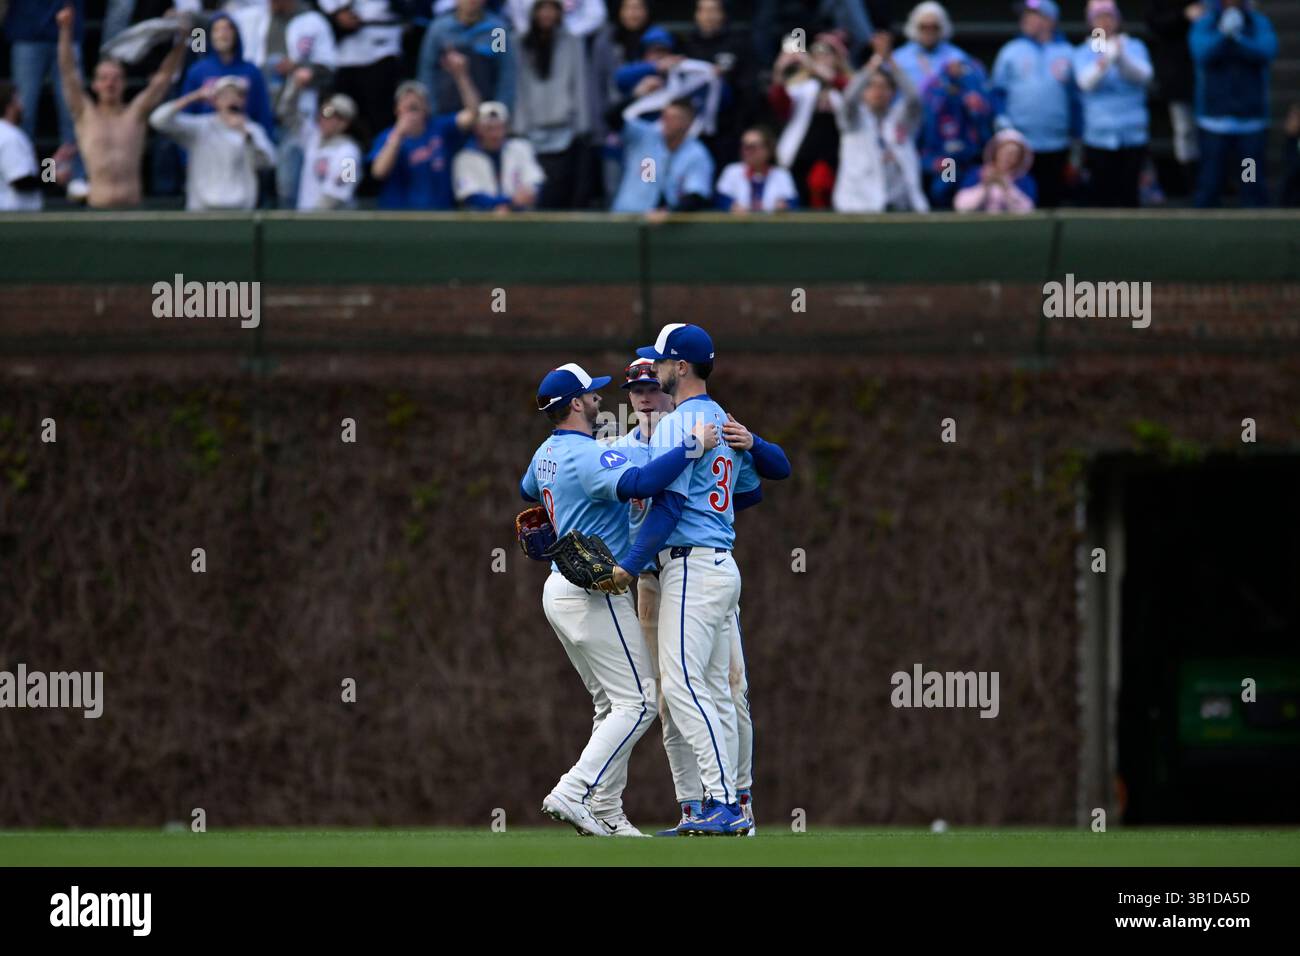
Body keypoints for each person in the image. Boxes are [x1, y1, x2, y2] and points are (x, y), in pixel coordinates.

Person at [520, 361, 720, 837]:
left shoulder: (545, 452)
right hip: (595, 592)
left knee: (610, 704)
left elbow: (531, 490)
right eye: (591, 394)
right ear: (575, 404)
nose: (598, 399)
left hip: (558, 589)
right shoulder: (588, 455)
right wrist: (693, 446)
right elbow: (643, 484)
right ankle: (574, 790)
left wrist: (564, 511)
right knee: (641, 702)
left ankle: (607, 810)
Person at [604, 358, 789, 837]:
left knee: (717, 690)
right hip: (664, 574)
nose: (644, 395)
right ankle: (701, 807)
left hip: (692, 566)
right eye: (635, 389)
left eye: (652, 383)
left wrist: (706, 498)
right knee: (680, 694)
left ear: (672, 381)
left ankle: (731, 802)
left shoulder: (694, 428)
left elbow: (746, 487)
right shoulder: (628, 445)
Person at [54, 4, 188, 208]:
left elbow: (163, 79)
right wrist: (65, 30)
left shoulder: (135, 114)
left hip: (132, 208)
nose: (110, 83)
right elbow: (68, 73)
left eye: (116, 78)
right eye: (104, 78)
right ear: (95, 85)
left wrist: (182, 41)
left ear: (124, 83)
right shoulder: (85, 113)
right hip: (98, 208)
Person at [228, 0, 337, 205]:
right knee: (253, 186)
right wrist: (195, 32)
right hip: (255, 116)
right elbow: (210, 30)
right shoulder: (250, 18)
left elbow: (329, 70)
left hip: (292, 118)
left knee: (287, 188)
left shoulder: (313, 22)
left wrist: (302, 69)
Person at [1189, 0, 1276, 208]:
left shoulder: (1257, 23)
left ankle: (1255, 231)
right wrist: (1223, 35)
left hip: (1250, 123)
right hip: (1214, 121)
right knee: (1210, 183)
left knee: (1250, 182)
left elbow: (1266, 51)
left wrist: (1238, 38)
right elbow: (1202, 54)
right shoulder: (1206, 22)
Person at [990, 0, 1076, 208]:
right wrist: (1003, 123)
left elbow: (1076, 97)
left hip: (1057, 142)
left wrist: (1076, 136)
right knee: (1018, 200)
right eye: (1025, 15)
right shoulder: (1010, 51)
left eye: (1034, 15)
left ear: (1050, 20)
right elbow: (997, 91)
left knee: (1052, 200)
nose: (1027, 19)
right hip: (1019, 145)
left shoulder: (1068, 52)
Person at [149, 76, 276, 211]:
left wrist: (247, 136)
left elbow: (268, 163)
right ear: (215, 100)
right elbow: (158, 120)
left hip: (240, 211)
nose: (231, 99)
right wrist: (193, 97)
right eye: (225, 95)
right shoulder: (199, 127)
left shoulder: (253, 130)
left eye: (238, 95)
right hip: (202, 210)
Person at [368, 63, 480, 210]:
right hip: (399, 219)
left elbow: (472, 115)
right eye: (405, 98)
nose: (411, 99)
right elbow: (378, 172)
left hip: (439, 216)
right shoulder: (386, 136)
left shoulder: (440, 127)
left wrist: (461, 75)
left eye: (417, 99)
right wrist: (398, 135)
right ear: (397, 109)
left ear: (426, 107)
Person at [1073, 0, 1151, 208]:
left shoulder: (1134, 46)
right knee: (1100, 194)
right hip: (1098, 136)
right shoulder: (1085, 50)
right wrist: (1106, 58)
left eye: (1109, 17)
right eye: (1099, 18)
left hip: (1132, 135)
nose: (1105, 22)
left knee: (1129, 195)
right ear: (1091, 22)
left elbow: (1143, 76)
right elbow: (1085, 82)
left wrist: (1121, 56)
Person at [833, 41, 928, 213]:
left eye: (884, 86)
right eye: (872, 86)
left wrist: (890, 61)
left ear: (892, 92)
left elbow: (914, 98)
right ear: (863, 91)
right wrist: (875, 62)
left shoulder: (901, 119)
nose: (878, 91)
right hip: (857, 204)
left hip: (900, 204)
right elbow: (849, 99)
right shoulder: (854, 120)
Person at [512, 0, 590, 209]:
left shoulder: (573, 42)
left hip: (564, 128)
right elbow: (515, 85)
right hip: (530, 129)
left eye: (551, 8)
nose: (546, 14)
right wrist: (518, 126)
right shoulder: (517, 43)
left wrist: (582, 124)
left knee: (560, 189)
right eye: (542, 8)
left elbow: (579, 82)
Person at [768, 30, 851, 209]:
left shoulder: (845, 84)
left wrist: (809, 63)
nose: (821, 58)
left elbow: (846, 90)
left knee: (822, 185)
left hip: (839, 156)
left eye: (827, 53)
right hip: (802, 155)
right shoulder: (802, 86)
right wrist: (779, 70)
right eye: (816, 53)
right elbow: (781, 107)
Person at [4, 0, 85, 173]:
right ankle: (22, 172)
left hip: (67, 30)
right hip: (27, 30)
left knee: (72, 111)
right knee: (23, 113)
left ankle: (74, 176)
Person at [680, 0, 756, 172]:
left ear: (722, 15)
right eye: (703, 11)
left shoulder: (738, 45)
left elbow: (749, 89)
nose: (708, 16)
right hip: (693, 130)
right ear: (696, 15)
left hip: (728, 130)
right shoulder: (686, 46)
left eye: (713, 11)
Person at [317, 0, 404, 141]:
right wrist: (336, 12)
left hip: (383, 50)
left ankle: (381, 158)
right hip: (343, 55)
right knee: (340, 119)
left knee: (381, 121)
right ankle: (346, 162)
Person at [179, 13, 276, 138]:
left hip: (243, 142)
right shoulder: (197, 71)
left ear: (236, 34)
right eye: (216, 30)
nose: (222, 34)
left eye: (227, 29)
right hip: (206, 145)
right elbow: (185, 115)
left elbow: (263, 114)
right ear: (210, 35)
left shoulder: (252, 72)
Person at [609, 97, 714, 213]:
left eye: (674, 118)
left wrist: (669, 213)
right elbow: (610, 117)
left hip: (668, 224)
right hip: (626, 215)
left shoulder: (697, 153)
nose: (666, 121)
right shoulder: (644, 135)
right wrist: (636, 95)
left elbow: (696, 194)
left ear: (688, 123)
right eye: (665, 116)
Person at [277, 68, 362, 211]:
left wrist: (313, 217)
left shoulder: (351, 153)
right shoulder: (313, 137)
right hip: (307, 219)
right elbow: (286, 114)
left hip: (334, 225)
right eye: (322, 113)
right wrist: (295, 87)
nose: (323, 119)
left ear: (344, 123)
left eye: (329, 115)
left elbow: (342, 191)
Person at [919, 55, 992, 209]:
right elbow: (925, 144)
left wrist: (978, 111)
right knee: (944, 187)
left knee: (973, 191)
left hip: (972, 160)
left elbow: (984, 137)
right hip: (949, 161)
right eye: (952, 69)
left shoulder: (972, 98)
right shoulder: (935, 102)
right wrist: (932, 162)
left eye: (959, 69)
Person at [418, 0, 517, 114]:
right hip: (446, 114)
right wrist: (431, 111)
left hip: (486, 113)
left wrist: (501, 110)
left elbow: (506, 73)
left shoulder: (497, 30)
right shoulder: (439, 29)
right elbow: (427, 72)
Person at [1146, 1, 1203, 186]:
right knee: (1185, 130)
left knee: (1210, 132)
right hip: (1179, 76)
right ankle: (1191, 182)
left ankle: (1220, 181)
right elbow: (1155, 23)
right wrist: (1183, 16)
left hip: (1212, 78)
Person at [452, 100, 545, 211]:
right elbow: (470, 196)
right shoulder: (464, 157)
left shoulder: (521, 147)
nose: (495, 134)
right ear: (477, 130)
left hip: (520, 219)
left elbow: (536, 181)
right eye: (489, 129)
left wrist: (529, 193)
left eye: (499, 127)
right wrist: (509, 202)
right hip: (481, 222)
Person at [894, 1, 982, 95]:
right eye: (924, 27)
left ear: (943, 27)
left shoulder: (956, 55)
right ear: (915, 27)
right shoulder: (898, 57)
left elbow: (977, 83)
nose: (929, 32)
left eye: (934, 27)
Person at [953, 127, 1037, 212]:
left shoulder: (1024, 179)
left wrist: (1007, 187)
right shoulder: (976, 173)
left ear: (1019, 158)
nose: (1008, 158)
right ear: (996, 152)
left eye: (1014, 154)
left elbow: (1027, 210)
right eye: (1005, 152)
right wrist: (985, 186)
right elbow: (961, 207)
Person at [715, 126, 798, 211]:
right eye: (744, 146)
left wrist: (784, 206)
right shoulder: (731, 171)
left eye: (752, 147)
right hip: (738, 224)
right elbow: (721, 200)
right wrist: (731, 206)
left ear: (768, 149)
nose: (746, 151)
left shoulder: (782, 174)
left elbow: (792, 203)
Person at [0, 80, 43, 211]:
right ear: (9, 106)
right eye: (19, 101)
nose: (22, 107)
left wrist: (52, 162)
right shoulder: (10, 136)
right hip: (13, 219)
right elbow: (21, 182)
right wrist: (53, 177)